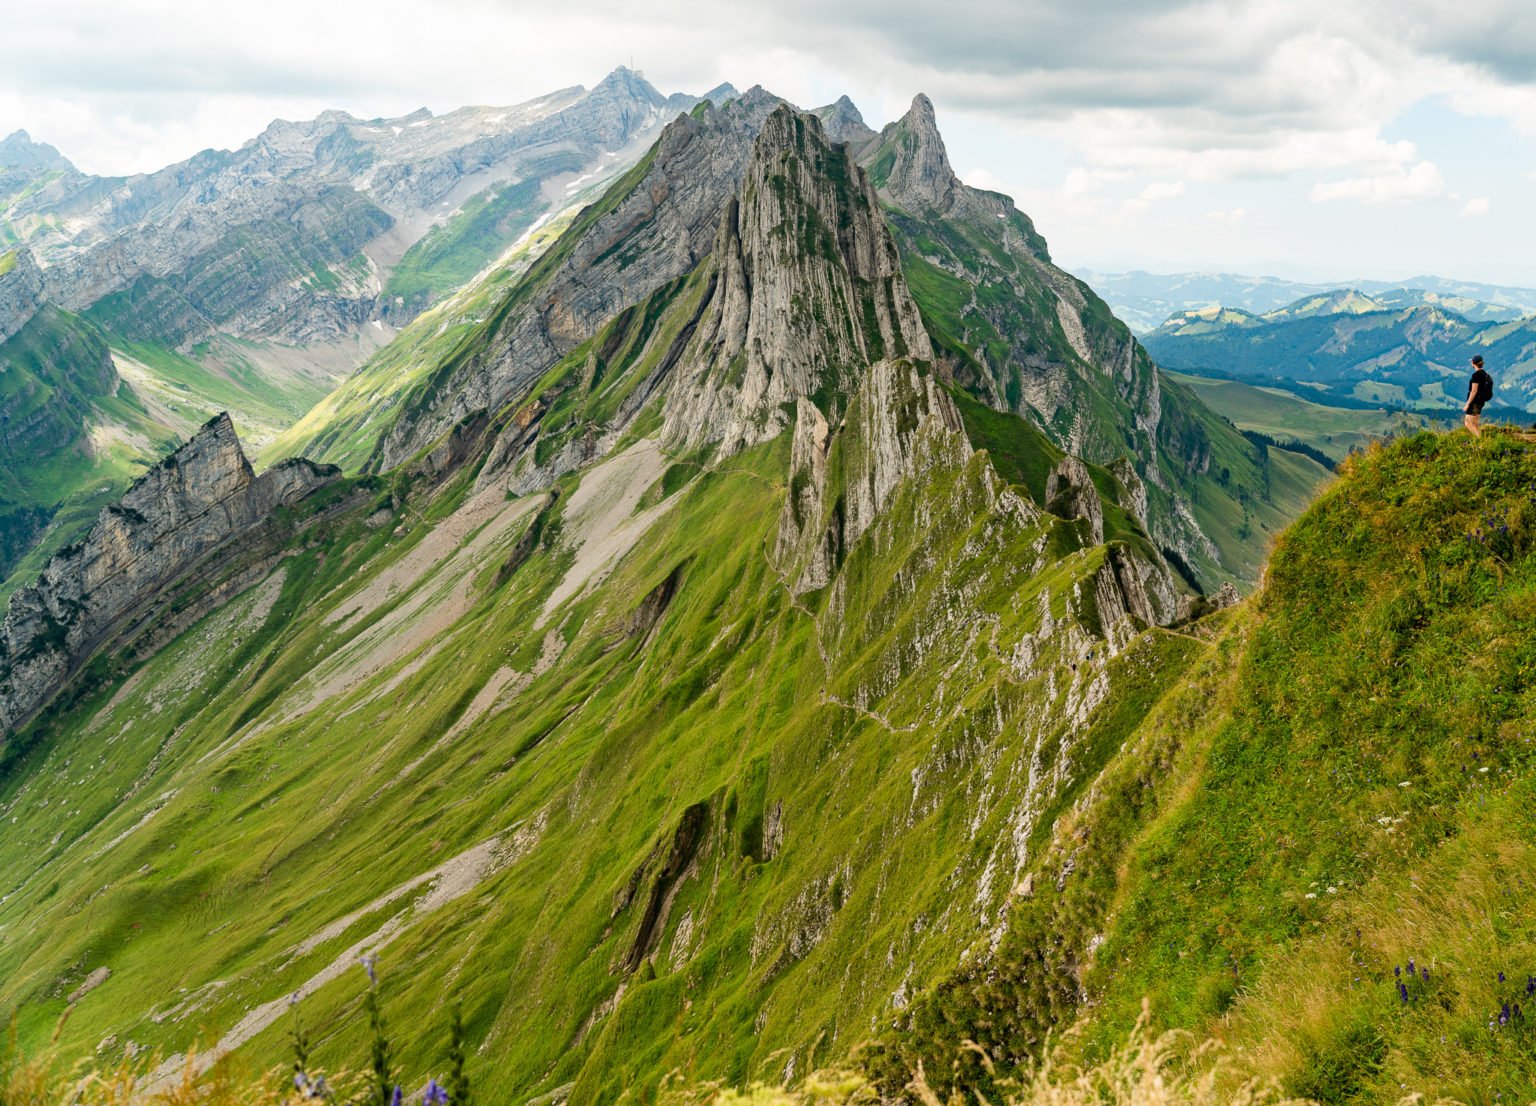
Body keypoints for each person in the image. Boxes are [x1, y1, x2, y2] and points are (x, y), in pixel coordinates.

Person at [1465, 355, 1493, 438]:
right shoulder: (1485, 374)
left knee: (1468, 423)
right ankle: (1481, 443)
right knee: (1475, 424)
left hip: (1474, 401)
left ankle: (1479, 440)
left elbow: (1474, 391)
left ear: (1473, 363)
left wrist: (1467, 404)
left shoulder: (1476, 375)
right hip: (1481, 401)